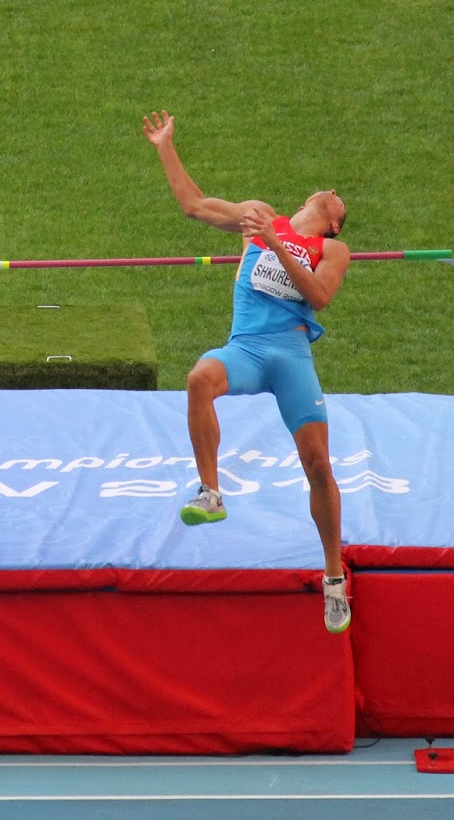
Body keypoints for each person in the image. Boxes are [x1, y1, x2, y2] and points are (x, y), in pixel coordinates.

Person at [142, 110, 352, 634]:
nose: (330, 190)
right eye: (324, 189)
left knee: (318, 464)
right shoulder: (257, 216)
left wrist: (278, 246)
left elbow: (321, 296)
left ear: (332, 222)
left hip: (291, 357)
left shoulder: (332, 248)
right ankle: (211, 493)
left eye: (337, 199)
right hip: (247, 349)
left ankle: (333, 577)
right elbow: (193, 205)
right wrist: (165, 146)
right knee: (196, 379)